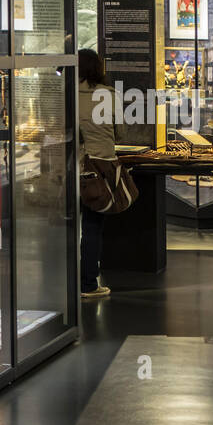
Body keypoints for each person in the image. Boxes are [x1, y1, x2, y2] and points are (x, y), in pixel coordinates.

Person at [78, 49, 122, 300]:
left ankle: (70, 280)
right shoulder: (108, 95)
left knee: (70, 225)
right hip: (100, 167)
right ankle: (88, 283)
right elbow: (121, 131)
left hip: (73, 166)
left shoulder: (67, 93)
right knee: (93, 226)